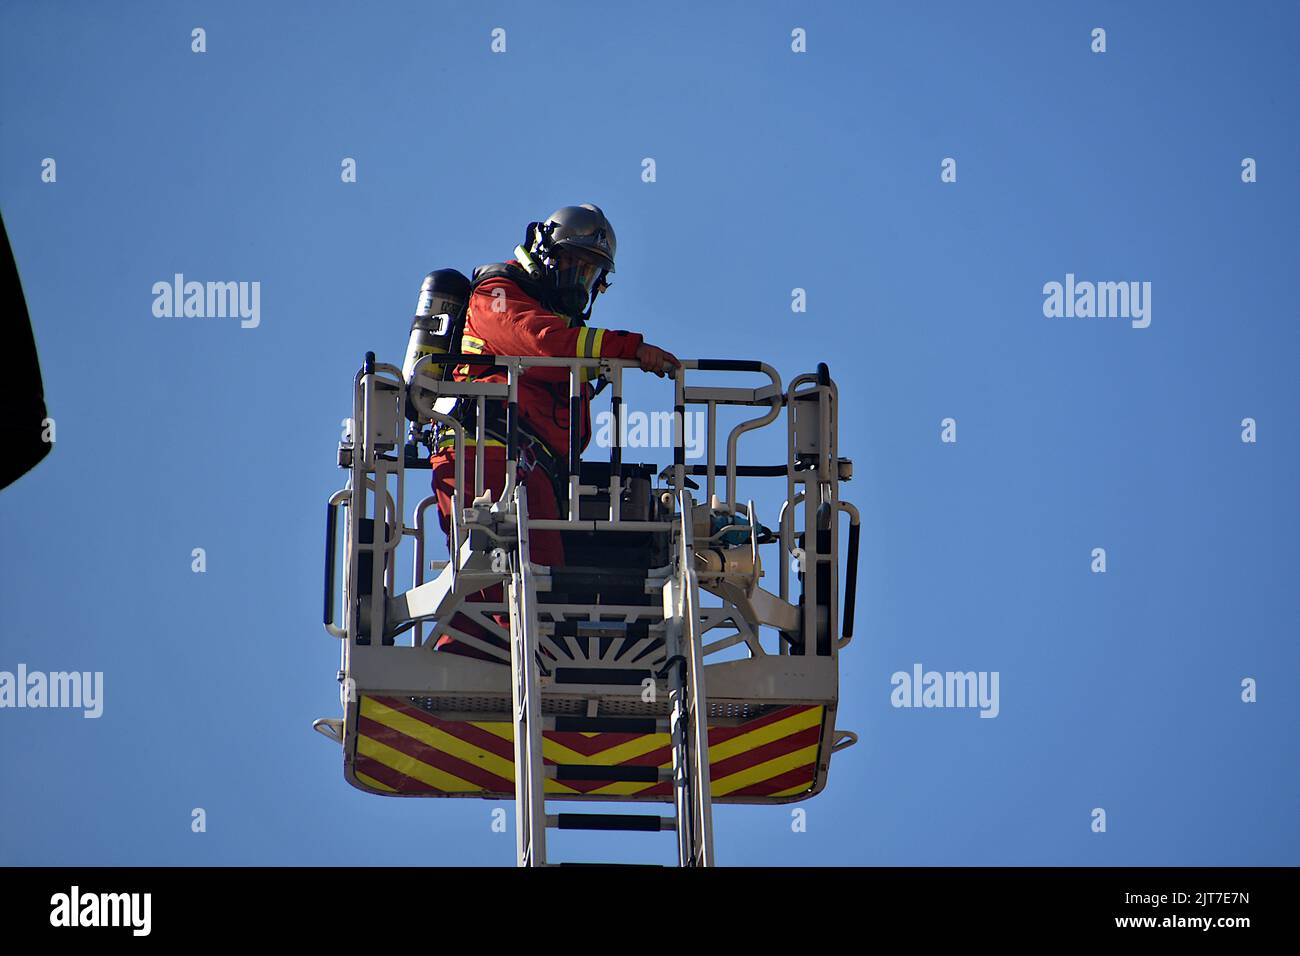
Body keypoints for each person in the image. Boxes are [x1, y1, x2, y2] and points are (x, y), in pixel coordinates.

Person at [430, 204, 678, 660]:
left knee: (524, 586)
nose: (580, 281)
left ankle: (464, 668)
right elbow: (541, 344)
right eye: (574, 265)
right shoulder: (498, 293)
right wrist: (628, 348)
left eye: (590, 273)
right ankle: (483, 669)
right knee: (507, 581)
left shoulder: (564, 333)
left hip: (528, 469)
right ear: (546, 256)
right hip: (482, 455)